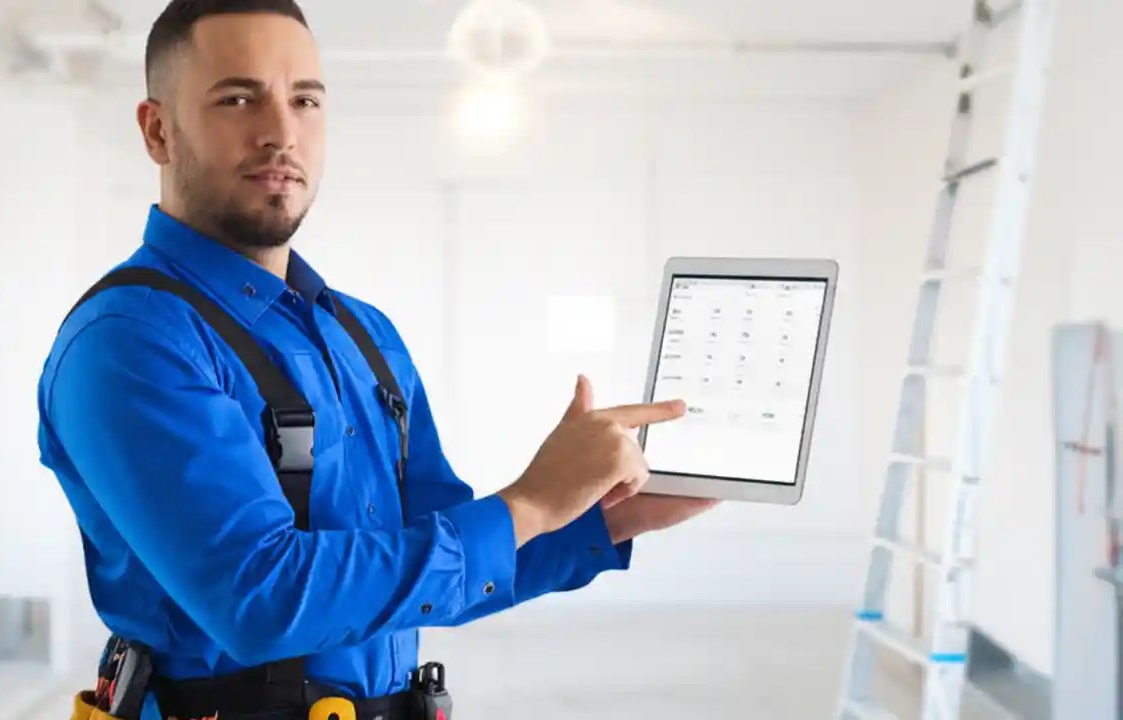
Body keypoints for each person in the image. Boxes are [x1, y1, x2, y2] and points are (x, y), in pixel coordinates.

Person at [39, 1, 718, 718]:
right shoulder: (130, 341)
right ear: (157, 130)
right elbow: (260, 599)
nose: (280, 131)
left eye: (305, 100)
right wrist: (530, 503)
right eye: (238, 98)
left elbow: (439, 561)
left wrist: (602, 517)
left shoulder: (361, 334)